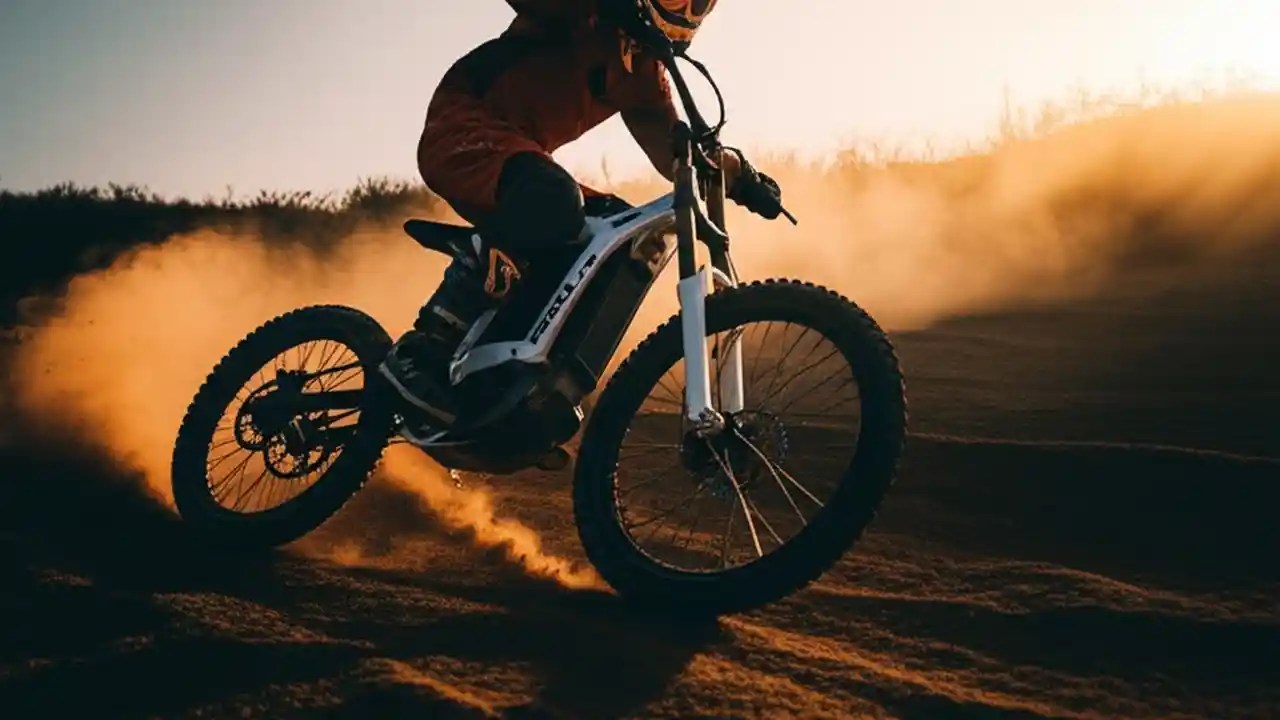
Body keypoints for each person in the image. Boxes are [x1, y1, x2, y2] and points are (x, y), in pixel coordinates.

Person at [382, 0, 768, 426]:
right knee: (555, 200)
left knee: (620, 234)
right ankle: (423, 348)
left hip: (522, 158)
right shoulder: (585, 13)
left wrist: (740, 177)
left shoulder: (641, 71)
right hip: (462, 128)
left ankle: (526, 381)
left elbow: (678, 155)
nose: (685, 9)